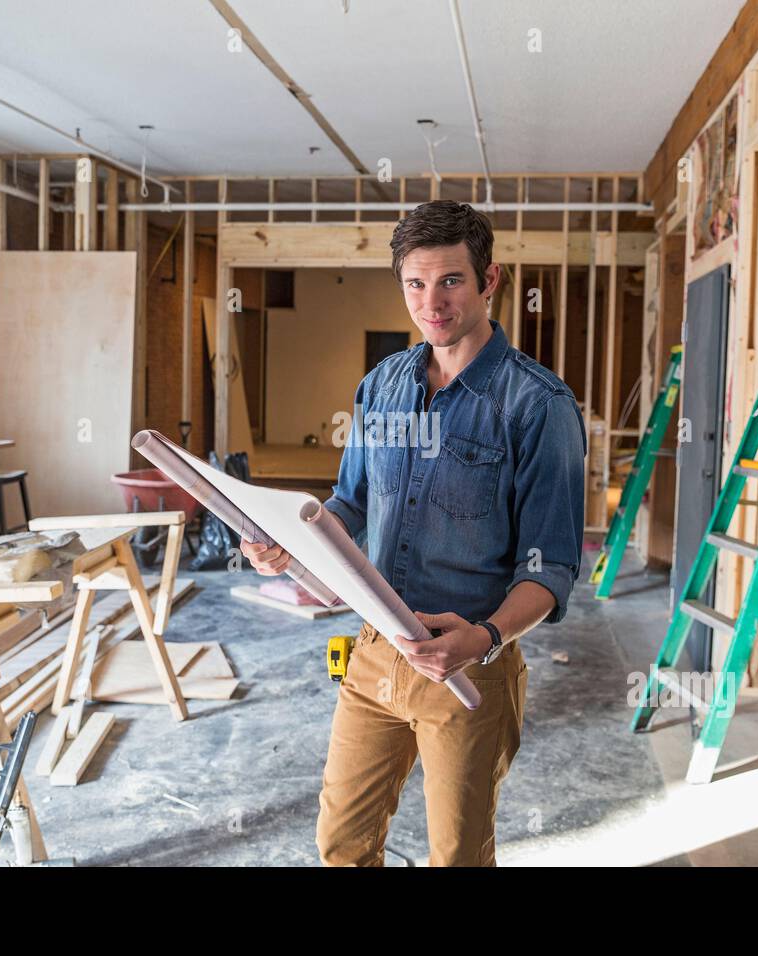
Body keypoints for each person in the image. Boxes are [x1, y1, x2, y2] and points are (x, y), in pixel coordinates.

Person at [242, 199, 585, 866]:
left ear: (489, 281)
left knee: (456, 856)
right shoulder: (382, 386)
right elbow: (350, 502)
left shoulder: (539, 406)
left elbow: (551, 569)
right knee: (342, 845)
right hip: (375, 654)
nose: (432, 302)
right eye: (415, 283)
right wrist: (293, 542)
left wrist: (483, 639)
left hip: (468, 669)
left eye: (452, 280)